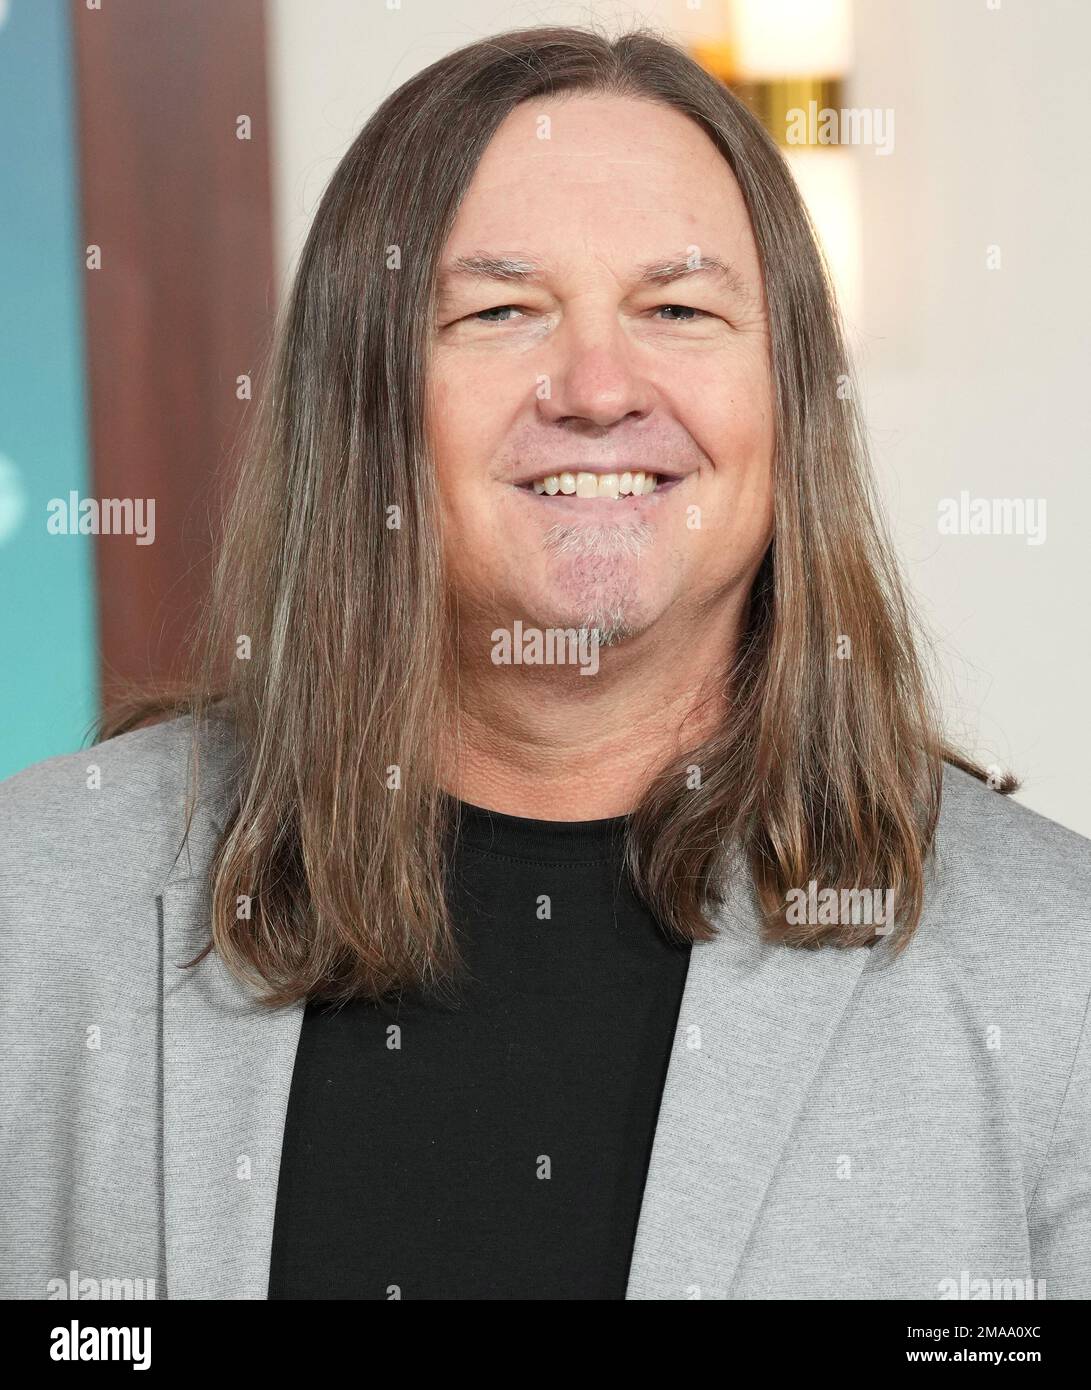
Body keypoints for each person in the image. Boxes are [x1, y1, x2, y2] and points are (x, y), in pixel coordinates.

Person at [2, 25, 1088, 1302]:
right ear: (360, 397)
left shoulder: (1052, 972)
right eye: (500, 310)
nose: (593, 385)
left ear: (788, 404)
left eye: (677, 308)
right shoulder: (41, 906)